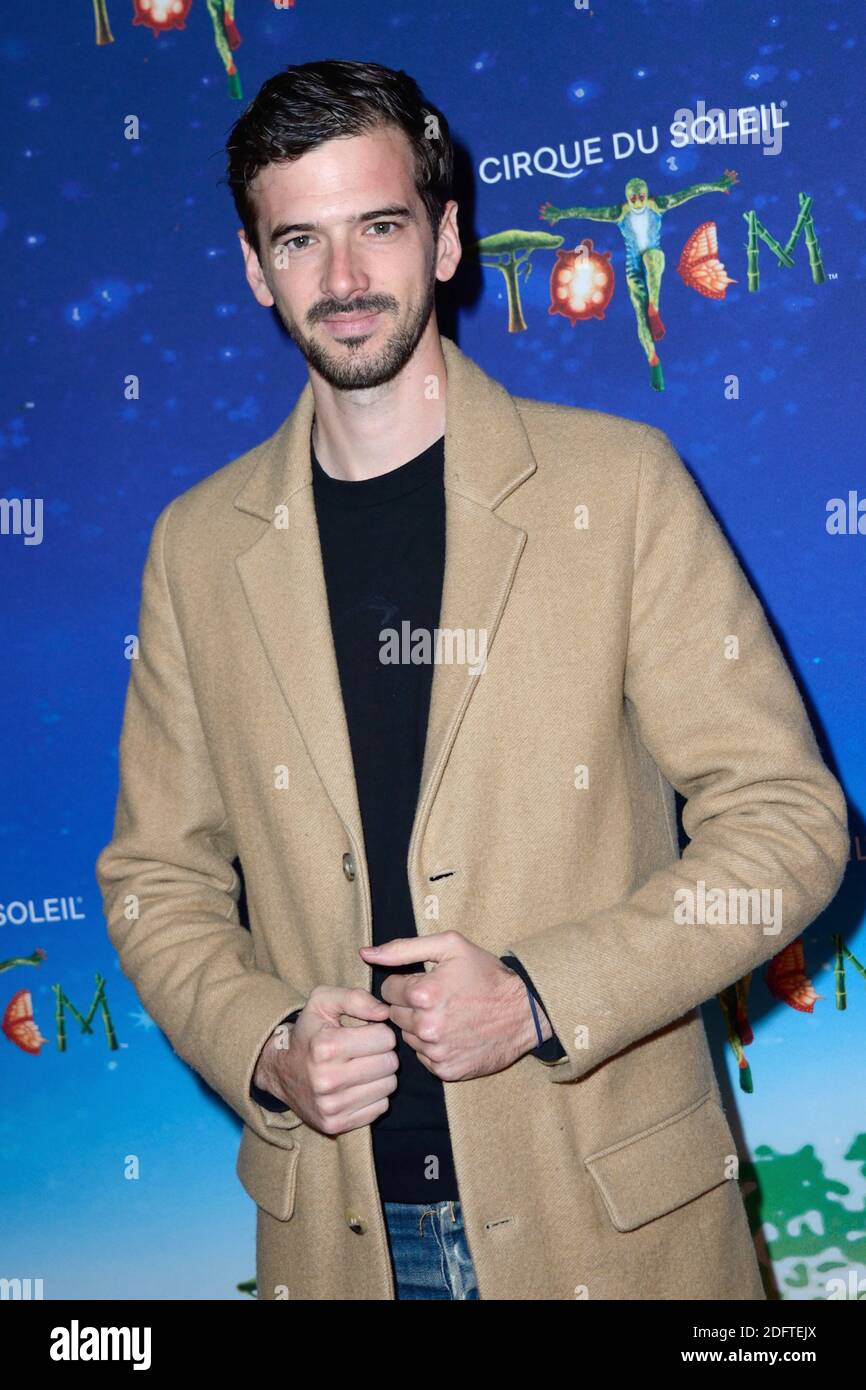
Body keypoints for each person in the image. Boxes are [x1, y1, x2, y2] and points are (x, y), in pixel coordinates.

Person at [95, 59, 849, 1301]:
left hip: (607, 1227)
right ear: (252, 267)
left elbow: (786, 823)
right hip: (336, 1237)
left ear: (445, 237)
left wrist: (543, 993)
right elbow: (154, 877)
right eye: (299, 240)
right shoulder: (194, 546)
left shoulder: (618, 488)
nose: (342, 281)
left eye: (378, 227)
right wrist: (267, 1042)